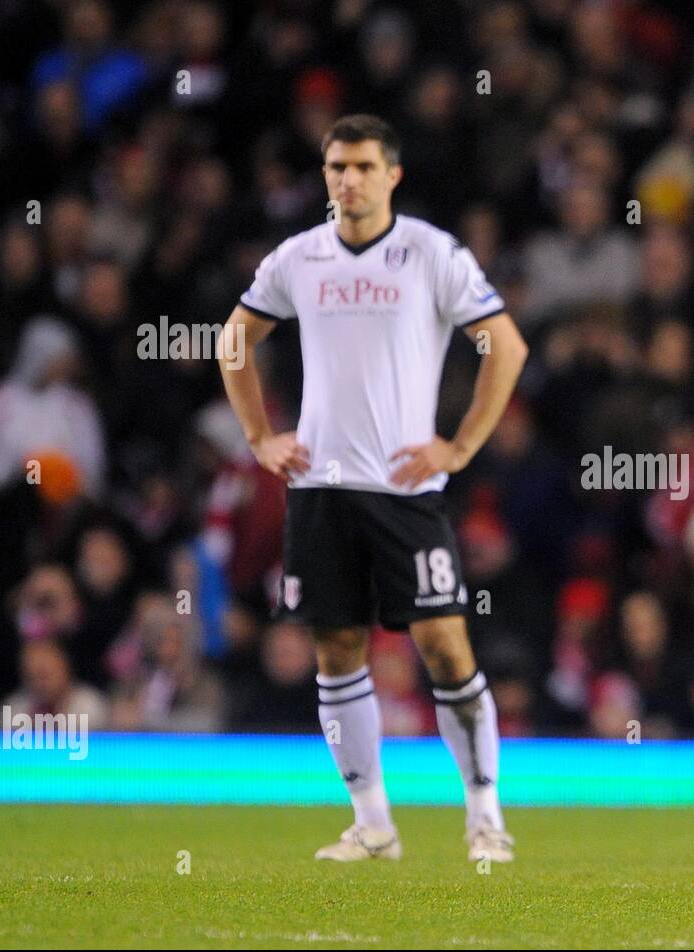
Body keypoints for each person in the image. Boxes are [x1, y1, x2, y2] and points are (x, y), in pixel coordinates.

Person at [216, 114, 529, 864]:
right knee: (336, 648)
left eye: (361, 166)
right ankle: (373, 822)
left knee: (445, 646)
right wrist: (260, 436)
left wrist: (458, 445)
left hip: (403, 489)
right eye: (335, 168)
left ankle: (485, 815)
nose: (347, 180)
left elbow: (505, 346)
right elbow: (234, 339)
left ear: (393, 174)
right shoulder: (300, 256)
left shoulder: (429, 254)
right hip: (320, 487)